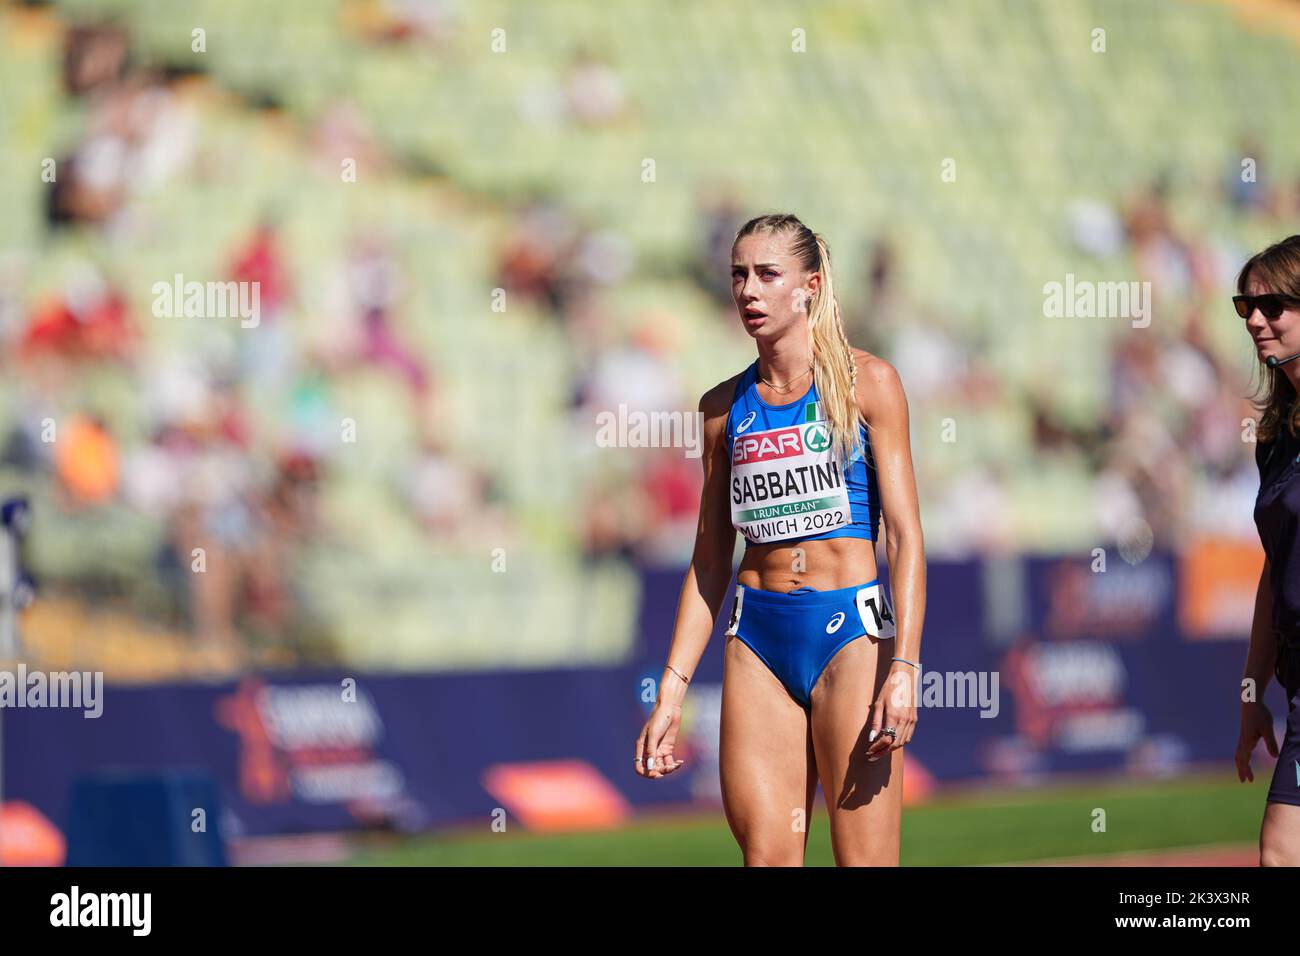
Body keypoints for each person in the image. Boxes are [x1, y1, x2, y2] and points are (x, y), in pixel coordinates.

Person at [634, 213, 926, 866]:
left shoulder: (869, 384)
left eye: (768, 275)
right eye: (739, 275)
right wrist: (672, 694)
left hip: (850, 634)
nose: (749, 292)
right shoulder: (719, 410)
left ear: (810, 287)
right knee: (768, 860)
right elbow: (710, 560)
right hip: (757, 639)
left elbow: (905, 537)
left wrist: (904, 667)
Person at [1233, 235, 1300, 866]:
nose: (1255, 320)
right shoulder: (1276, 435)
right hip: (1295, 675)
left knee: (1280, 853)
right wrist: (1253, 694)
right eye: (1244, 306)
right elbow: (1272, 570)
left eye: (1273, 305)